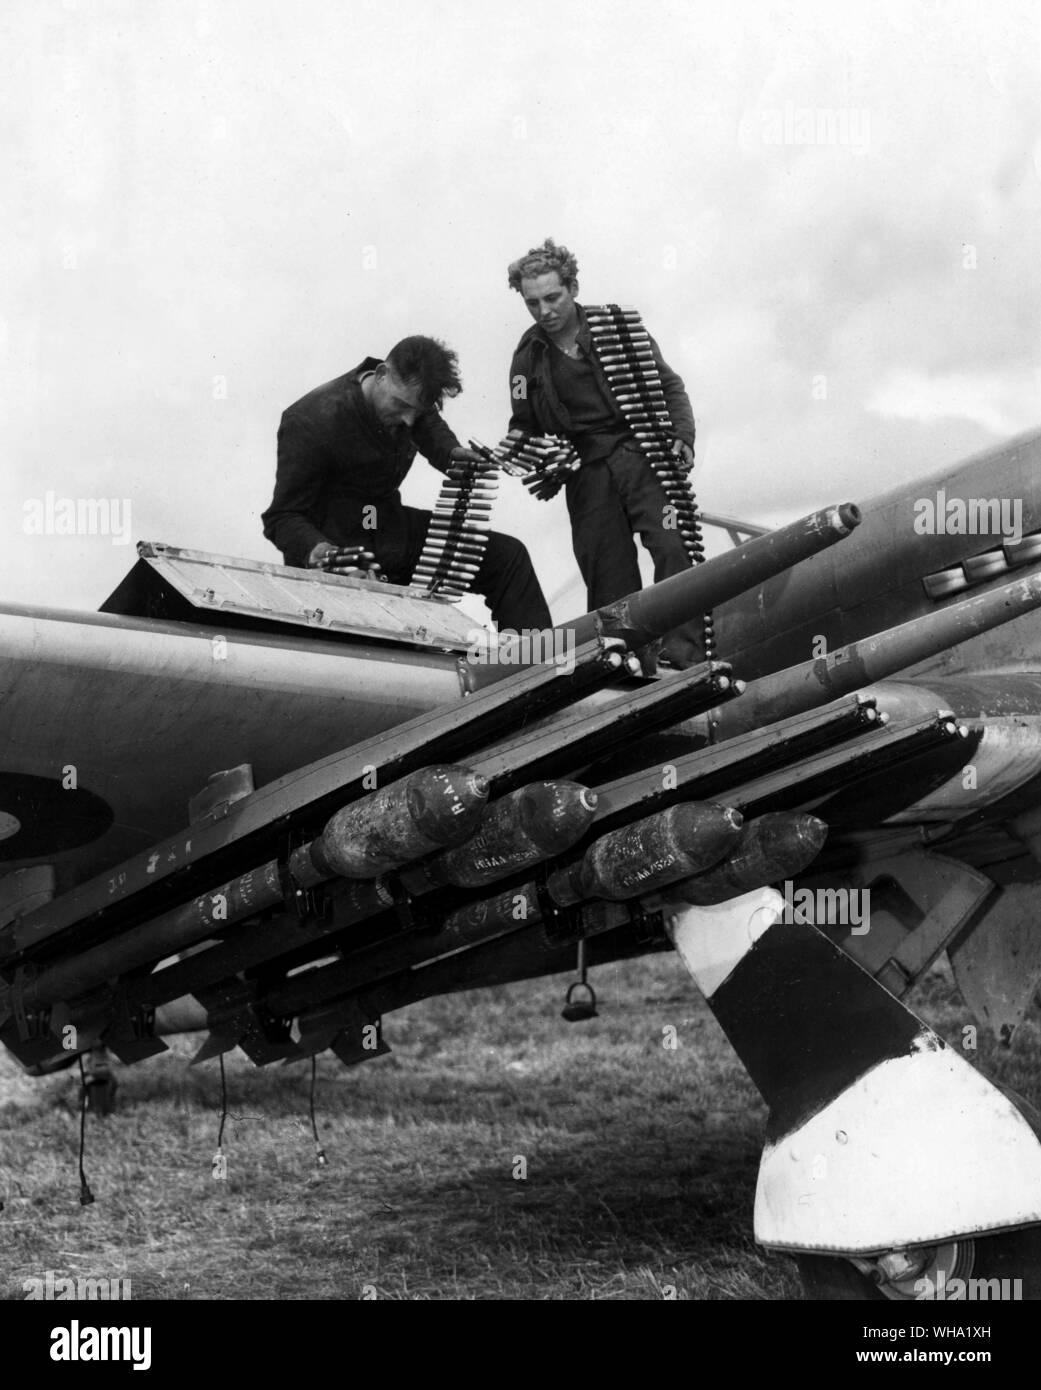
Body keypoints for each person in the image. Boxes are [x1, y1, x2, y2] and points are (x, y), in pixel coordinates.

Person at [262, 335, 552, 632]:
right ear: (381, 375)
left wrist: (453, 455)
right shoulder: (310, 421)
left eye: (418, 410)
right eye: (401, 406)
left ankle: (535, 662)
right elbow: (282, 518)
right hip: (339, 551)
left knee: (508, 557)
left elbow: (430, 430)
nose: (409, 420)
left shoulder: (410, 398)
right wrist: (324, 554)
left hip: (389, 531)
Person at [505, 238, 704, 667]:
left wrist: (683, 435)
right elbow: (521, 423)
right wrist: (530, 451)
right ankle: (632, 665)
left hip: (644, 458)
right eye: (532, 303)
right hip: (585, 475)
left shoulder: (619, 328)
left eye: (553, 298)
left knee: (675, 549)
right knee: (607, 573)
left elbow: (669, 384)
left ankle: (686, 659)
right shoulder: (526, 358)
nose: (545, 312)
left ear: (573, 288)